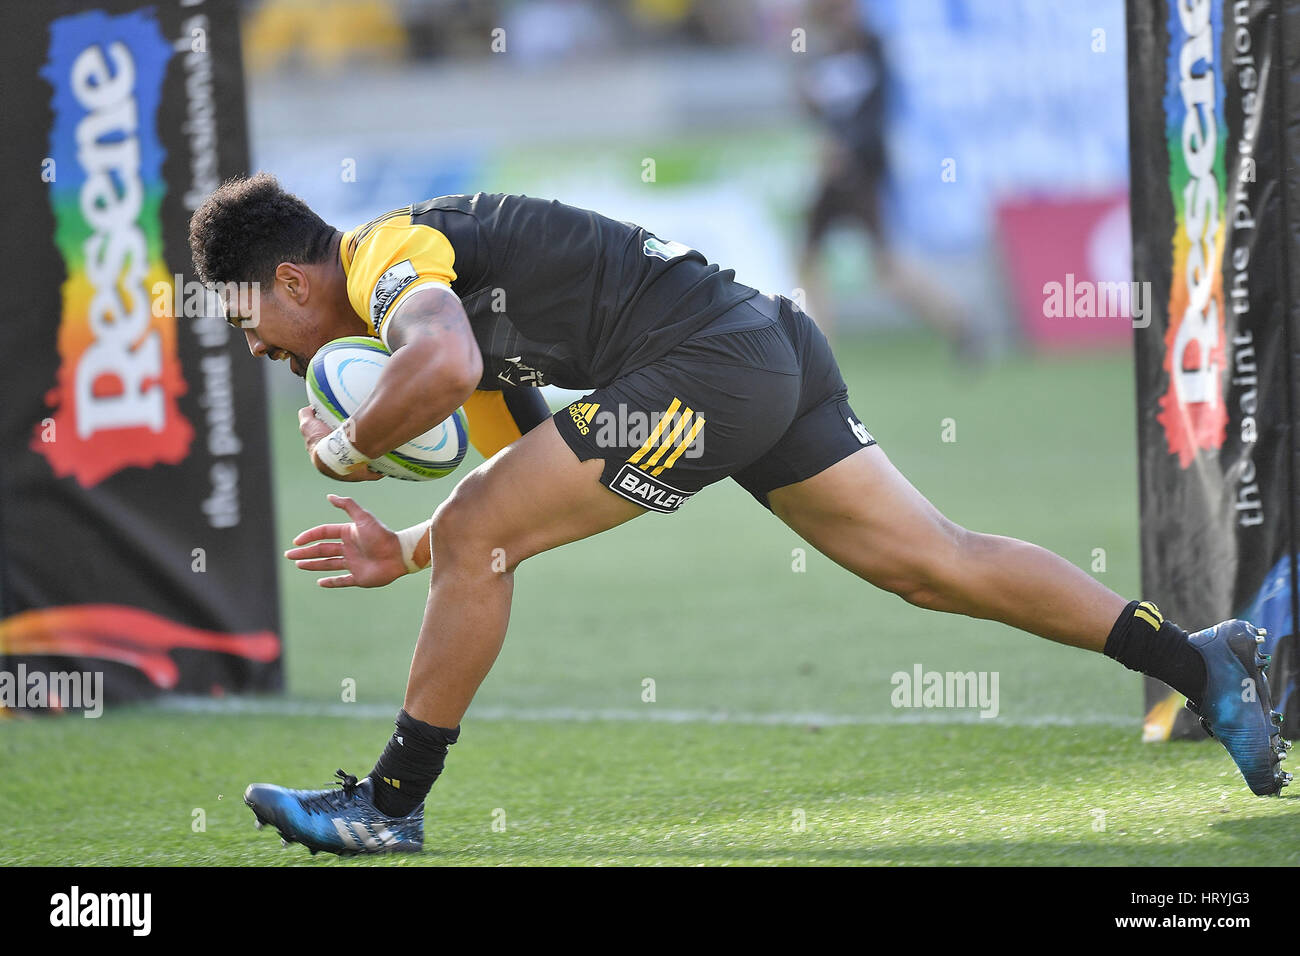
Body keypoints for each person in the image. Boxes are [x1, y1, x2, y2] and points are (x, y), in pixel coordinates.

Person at [188, 173, 1289, 856]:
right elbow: (513, 483)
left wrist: (346, 442)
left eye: (251, 326)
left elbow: (441, 363)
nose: (263, 353)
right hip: (759, 344)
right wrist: (412, 547)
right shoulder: (424, 302)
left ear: (292, 281)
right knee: (935, 562)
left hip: (706, 362)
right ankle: (1201, 663)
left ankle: (389, 802)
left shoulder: (387, 255)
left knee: (480, 525)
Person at [796, 0, 983, 357]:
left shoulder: (871, 47)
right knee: (813, 259)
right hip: (836, 171)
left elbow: (876, 114)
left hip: (860, 170)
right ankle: (819, 351)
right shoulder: (821, 53)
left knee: (885, 268)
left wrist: (847, 149)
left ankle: (958, 321)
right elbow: (818, 107)